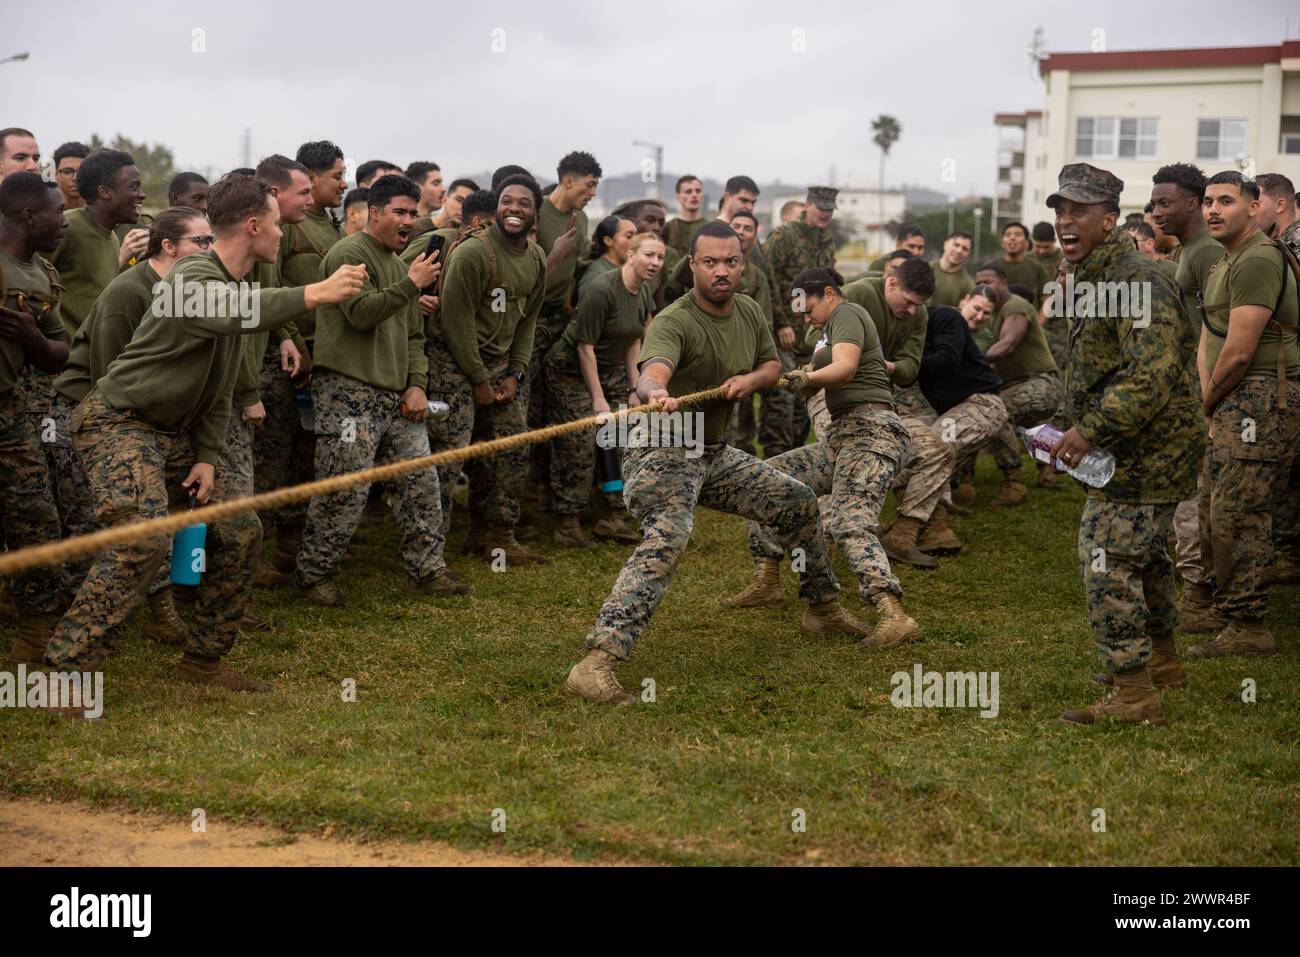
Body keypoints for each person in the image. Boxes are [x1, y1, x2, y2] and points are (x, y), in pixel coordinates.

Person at [42, 174, 365, 691]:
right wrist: (316, 293)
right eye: (277, 224)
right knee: (143, 542)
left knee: (240, 530)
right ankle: (64, 672)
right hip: (118, 423)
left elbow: (220, 389)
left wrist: (209, 457)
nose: (283, 235)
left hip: (175, 434)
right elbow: (230, 311)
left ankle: (204, 662)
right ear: (255, 225)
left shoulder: (238, 288)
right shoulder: (191, 277)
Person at [562, 223, 868, 705]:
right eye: (710, 262)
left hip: (711, 450)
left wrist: (749, 380)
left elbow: (770, 364)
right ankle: (596, 661)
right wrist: (656, 390)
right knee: (669, 535)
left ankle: (822, 607)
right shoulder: (673, 319)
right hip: (661, 444)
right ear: (692, 265)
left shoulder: (747, 309)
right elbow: (652, 370)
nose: (721, 271)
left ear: (741, 264)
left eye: (730, 261)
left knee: (797, 500)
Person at [1045, 163, 1201, 726]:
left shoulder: (1136, 280)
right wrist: (1067, 420)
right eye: (1060, 210)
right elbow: (1097, 366)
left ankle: (1133, 694)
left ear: (1109, 220)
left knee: (1105, 556)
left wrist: (1089, 430)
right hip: (1133, 444)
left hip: (1151, 447)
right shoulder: (1093, 278)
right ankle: (1161, 661)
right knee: (1150, 557)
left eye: (1079, 211)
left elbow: (1149, 378)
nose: (1065, 221)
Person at [48, 207, 215, 644]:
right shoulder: (130, 291)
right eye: (201, 242)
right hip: (92, 412)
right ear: (169, 246)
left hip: (145, 421)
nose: (209, 250)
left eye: (212, 241)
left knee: (149, 519)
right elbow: (110, 379)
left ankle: (157, 613)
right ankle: (64, 627)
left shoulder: (191, 290)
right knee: (92, 522)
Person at [294, 174, 459, 605]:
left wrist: (417, 384)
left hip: (394, 396)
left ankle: (427, 571)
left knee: (420, 482)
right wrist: (412, 284)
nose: (409, 220)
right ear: (374, 213)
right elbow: (360, 314)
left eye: (414, 212)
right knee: (343, 489)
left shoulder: (401, 263)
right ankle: (315, 577)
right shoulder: (349, 254)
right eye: (400, 212)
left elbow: (413, 336)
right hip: (348, 394)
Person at [739, 264, 924, 637]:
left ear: (827, 292)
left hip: (873, 431)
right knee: (761, 481)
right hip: (843, 435)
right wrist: (794, 380)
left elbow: (846, 369)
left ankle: (893, 614)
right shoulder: (827, 330)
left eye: (808, 309)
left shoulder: (848, 312)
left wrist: (808, 376)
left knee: (848, 521)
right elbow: (821, 375)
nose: (805, 318)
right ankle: (768, 581)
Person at [1189, 170, 1300, 659]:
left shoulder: (1257, 258)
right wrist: (1208, 399)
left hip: (1259, 398)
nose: (1213, 209)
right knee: (1216, 505)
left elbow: (1238, 352)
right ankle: (1223, 606)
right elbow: (1209, 337)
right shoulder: (1225, 260)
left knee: (1241, 512)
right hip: (1231, 399)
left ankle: (1249, 626)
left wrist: (1208, 402)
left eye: (1226, 201)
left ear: (1254, 208)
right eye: (1209, 201)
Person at [432, 174, 548, 564]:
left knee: (510, 452)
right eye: (507, 201)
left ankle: (495, 536)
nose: (514, 209)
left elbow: (528, 319)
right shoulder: (473, 253)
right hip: (454, 362)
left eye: (524, 204)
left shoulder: (535, 257)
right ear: (497, 207)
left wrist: (515, 372)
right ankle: (429, 552)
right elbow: (455, 321)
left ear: (535, 215)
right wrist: (479, 379)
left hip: (501, 367)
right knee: (449, 459)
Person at [251, 140, 346, 586]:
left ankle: (286, 556)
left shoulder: (328, 226)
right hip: (281, 361)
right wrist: (290, 338)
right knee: (269, 462)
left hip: (316, 356)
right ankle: (249, 567)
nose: (341, 185)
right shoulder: (274, 232)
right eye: (333, 177)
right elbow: (266, 299)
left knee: (302, 461)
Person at [546, 232, 663, 548]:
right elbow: (585, 347)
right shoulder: (601, 290)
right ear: (630, 254)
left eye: (660, 257)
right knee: (582, 441)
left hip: (609, 369)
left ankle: (609, 514)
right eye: (648, 255)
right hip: (571, 370)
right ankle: (567, 521)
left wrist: (633, 385)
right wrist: (598, 399)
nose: (655, 263)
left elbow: (633, 340)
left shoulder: (643, 290)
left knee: (622, 435)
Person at [1149, 162, 1223, 629]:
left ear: (1192, 204)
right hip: (1187, 390)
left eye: (1164, 203)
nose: (1156, 211)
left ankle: (1200, 597)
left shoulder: (1206, 251)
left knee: (1196, 497)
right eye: (1154, 203)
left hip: (1206, 392)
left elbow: (1225, 325)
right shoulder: (1188, 251)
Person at [0, 173, 70, 668]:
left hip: (10, 411)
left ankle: (34, 634)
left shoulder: (44, 274)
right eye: (56, 213)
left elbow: (59, 353)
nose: (63, 222)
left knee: (37, 522)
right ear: (29, 216)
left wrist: (31, 337)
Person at [889, 287, 1008, 556]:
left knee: (935, 447)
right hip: (951, 411)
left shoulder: (945, 317)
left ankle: (906, 529)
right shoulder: (904, 335)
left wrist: (899, 365)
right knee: (907, 450)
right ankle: (937, 529)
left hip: (982, 404)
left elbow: (947, 360)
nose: (904, 312)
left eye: (910, 305)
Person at [965, 262, 1061, 504]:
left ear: (1004, 284)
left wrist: (970, 362)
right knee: (1033, 425)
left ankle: (1014, 483)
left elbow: (1007, 344)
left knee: (996, 414)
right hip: (1019, 385)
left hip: (1040, 383)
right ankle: (1047, 472)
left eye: (988, 282)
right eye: (978, 283)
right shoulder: (990, 313)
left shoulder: (1015, 306)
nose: (982, 287)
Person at [762, 186, 838, 457]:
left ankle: (795, 455)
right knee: (782, 396)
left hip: (813, 332)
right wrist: (781, 323)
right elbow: (766, 280)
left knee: (807, 393)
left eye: (830, 210)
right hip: (783, 332)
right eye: (821, 208)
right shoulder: (784, 236)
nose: (825, 214)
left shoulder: (826, 239)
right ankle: (774, 456)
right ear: (808, 205)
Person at [49, 148, 147, 340]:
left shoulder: (112, 237)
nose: (141, 195)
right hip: (62, 364)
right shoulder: (66, 227)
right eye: (134, 187)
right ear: (105, 192)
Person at [577, 214, 635, 297]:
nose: (636, 241)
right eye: (629, 236)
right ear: (608, 241)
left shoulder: (632, 270)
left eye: (637, 236)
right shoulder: (596, 277)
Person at [997, 222, 1050, 307]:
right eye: (1008, 235)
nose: (1012, 238)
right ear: (1002, 243)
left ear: (1026, 243)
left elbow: (1048, 299)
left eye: (1018, 235)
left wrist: (1038, 320)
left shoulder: (1037, 268)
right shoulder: (991, 268)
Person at [929, 231, 974, 307]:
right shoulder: (925, 269)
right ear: (945, 244)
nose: (959, 251)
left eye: (965, 249)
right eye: (956, 245)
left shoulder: (968, 285)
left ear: (969, 254)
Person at [663, 174, 705, 256]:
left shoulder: (710, 227)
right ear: (678, 197)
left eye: (698, 191)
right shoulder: (668, 228)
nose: (694, 195)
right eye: (688, 192)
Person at [404, 161, 445, 241]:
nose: (443, 189)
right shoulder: (406, 224)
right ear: (417, 187)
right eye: (436, 183)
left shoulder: (440, 225)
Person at [52, 142, 89, 212]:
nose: (75, 178)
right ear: (54, 174)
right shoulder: (45, 214)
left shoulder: (101, 213)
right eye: (67, 171)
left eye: (81, 171)